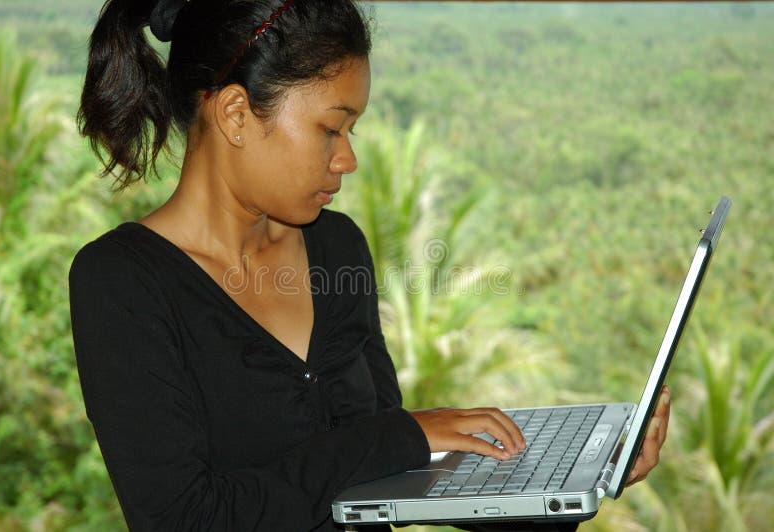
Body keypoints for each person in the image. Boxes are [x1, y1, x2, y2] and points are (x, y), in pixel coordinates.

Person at [69, 1, 671, 531]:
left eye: (351, 130)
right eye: (331, 129)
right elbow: (186, 518)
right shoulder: (121, 283)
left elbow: (392, 484)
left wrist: (570, 487)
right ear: (234, 114)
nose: (347, 159)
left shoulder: (337, 249)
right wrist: (399, 436)